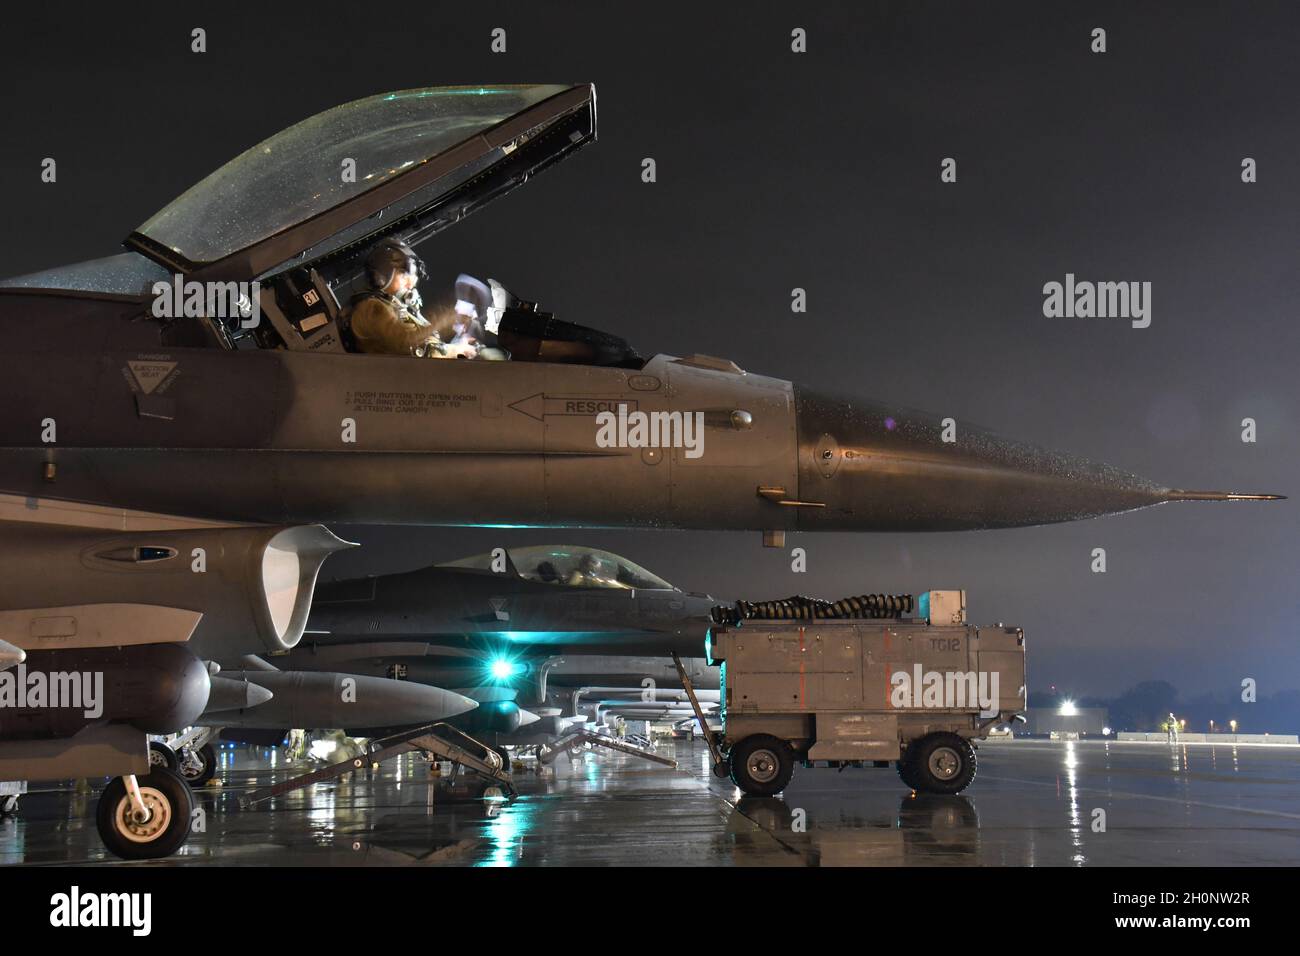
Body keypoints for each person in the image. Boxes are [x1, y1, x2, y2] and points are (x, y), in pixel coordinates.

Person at [347, 238, 478, 359]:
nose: (410, 285)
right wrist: (446, 319)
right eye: (404, 276)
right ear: (382, 276)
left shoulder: (393, 306)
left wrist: (457, 345)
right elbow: (408, 345)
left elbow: (425, 345)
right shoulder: (370, 308)